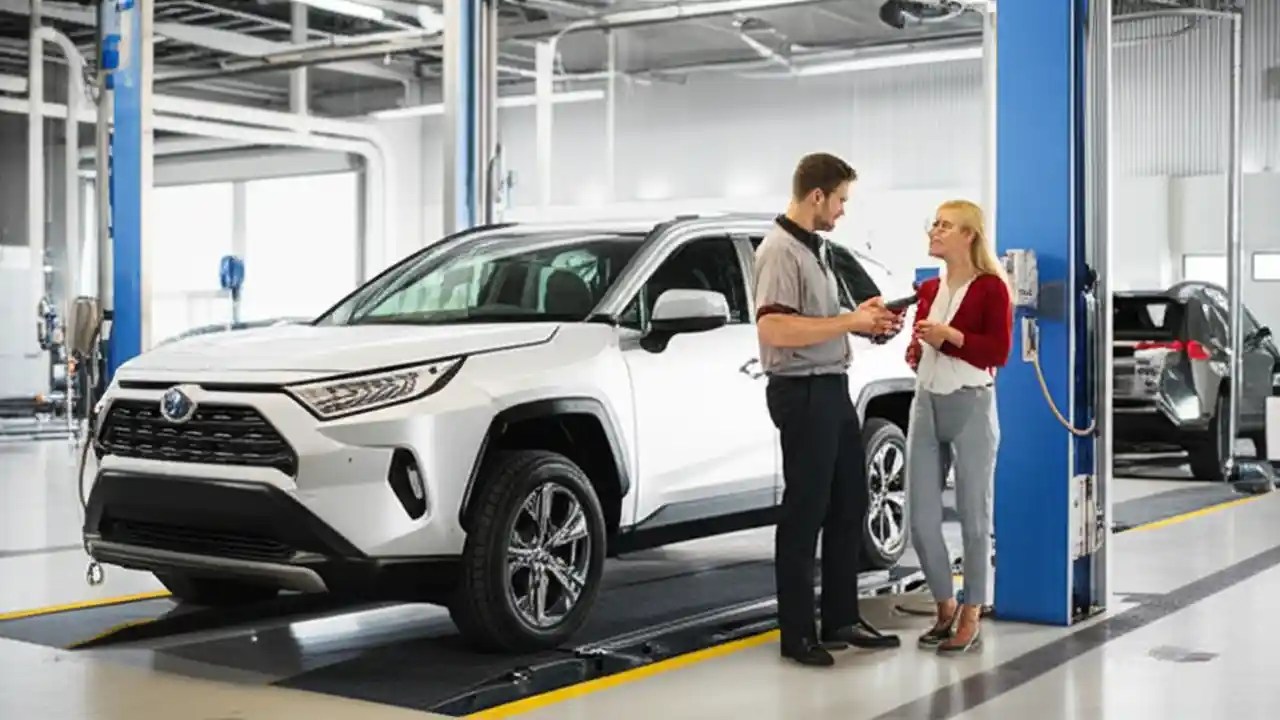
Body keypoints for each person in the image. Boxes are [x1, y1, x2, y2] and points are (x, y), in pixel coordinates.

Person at [753, 152, 905, 667]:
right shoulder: (779, 251)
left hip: (833, 387)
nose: (842, 211)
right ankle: (797, 634)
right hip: (803, 391)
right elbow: (774, 329)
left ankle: (841, 617)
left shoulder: (817, 249)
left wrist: (866, 320)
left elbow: (821, 320)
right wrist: (848, 323)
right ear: (817, 196)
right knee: (806, 512)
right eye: (841, 200)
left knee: (849, 504)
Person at [904, 199, 1012, 655]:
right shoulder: (929, 288)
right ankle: (944, 605)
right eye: (934, 224)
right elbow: (919, 343)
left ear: (970, 235)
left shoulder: (992, 289)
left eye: (945, 226)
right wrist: (915, 349)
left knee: (974, 514)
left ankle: (972, 611)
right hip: (925, 404)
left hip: (971, 403)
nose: (935, 231)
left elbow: (998, 352)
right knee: (921, 517)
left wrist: (950, 338)